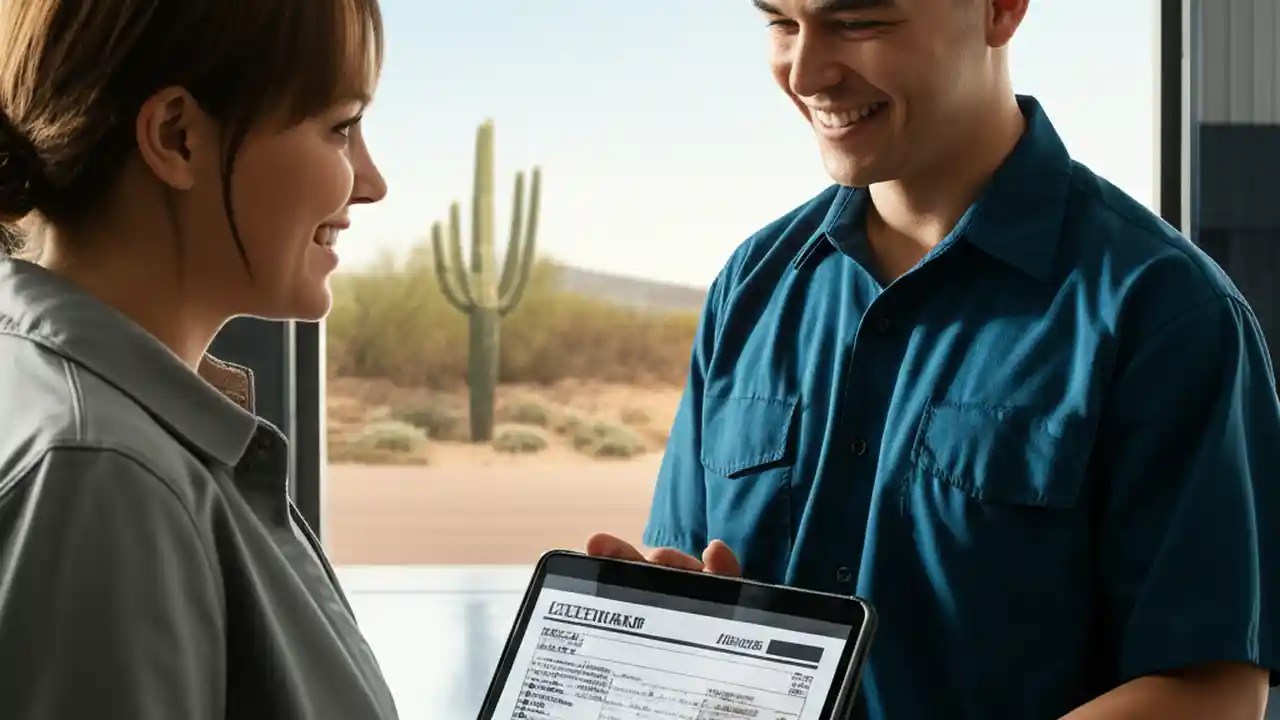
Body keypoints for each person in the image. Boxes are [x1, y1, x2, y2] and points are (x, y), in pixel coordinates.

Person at [590, 0, 1280, 718]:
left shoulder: (1168, 310)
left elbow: (1211, 691)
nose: (806, 73)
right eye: (782, 24)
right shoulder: (751, 284)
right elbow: (690, 584)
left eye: (858, 22)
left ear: (1000, 10)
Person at [0, 1, 403, 717]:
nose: (369, 182)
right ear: (177, 137)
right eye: (340, 128)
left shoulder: (95, 422)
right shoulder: (106, 475)